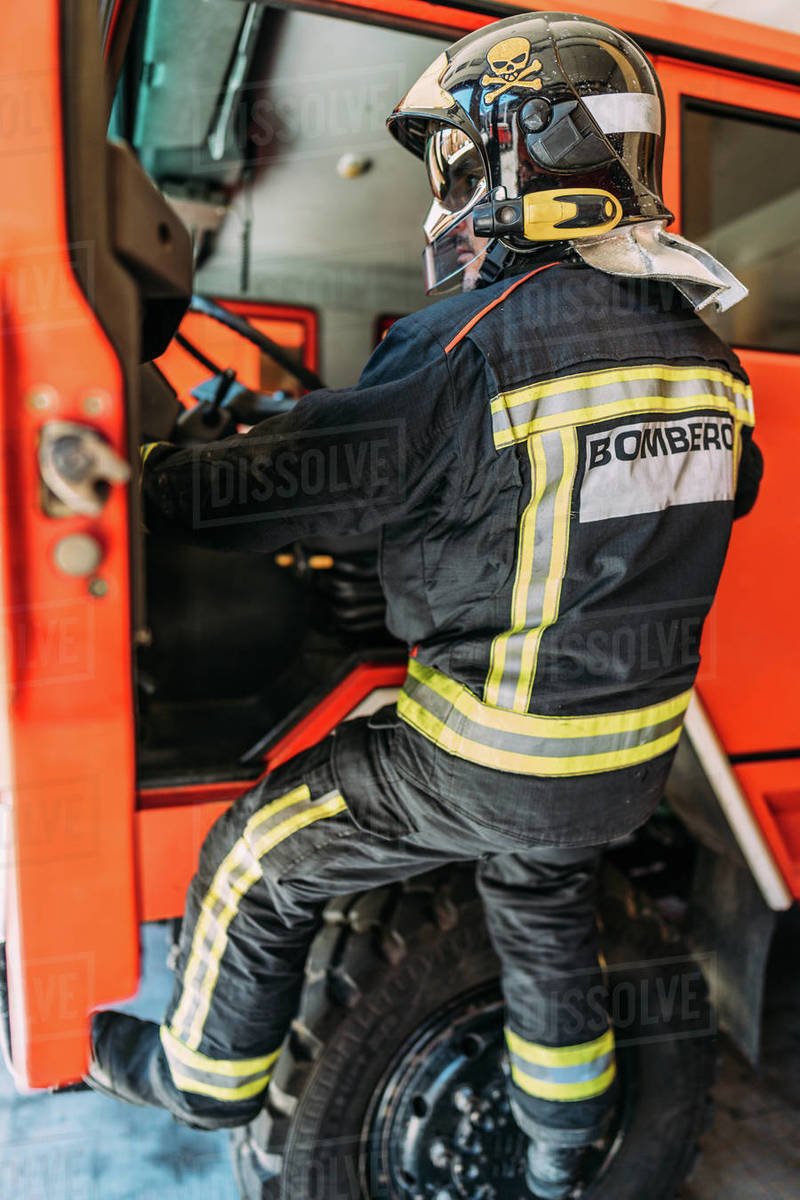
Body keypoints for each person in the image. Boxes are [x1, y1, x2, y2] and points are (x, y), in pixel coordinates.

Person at [87, 13, 762, 1198]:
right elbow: (702, 492)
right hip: (625, 765)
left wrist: (143, 472)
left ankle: (197, 1078)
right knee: (540, 908)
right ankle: (561, 1155)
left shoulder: (475, 346)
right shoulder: (704, 358)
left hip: (483, 759)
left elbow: (284, 489)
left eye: (451, 157)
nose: (439, 191)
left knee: (257, 859)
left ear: (520, 158)